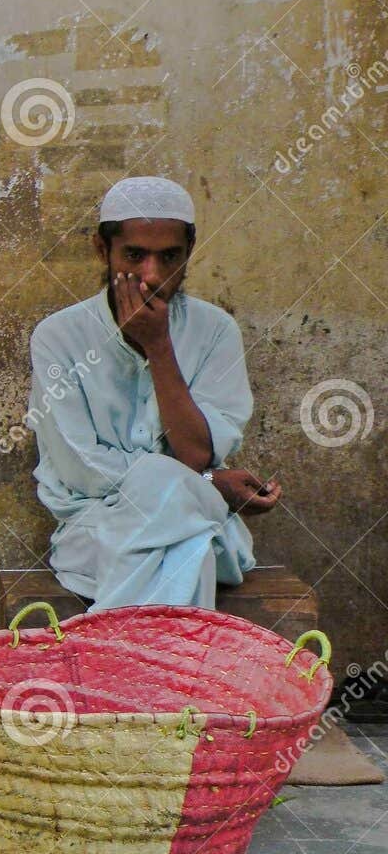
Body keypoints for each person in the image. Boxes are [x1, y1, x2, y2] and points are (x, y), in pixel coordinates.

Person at [27, 176, 280, 610]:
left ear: (188, 254)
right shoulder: (59, 336)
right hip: (95, 527)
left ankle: (121, 671)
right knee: (188, 552)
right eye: (135, 255)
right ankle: (170, 674)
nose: (153, 275)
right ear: (102, 251)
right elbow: (81, 470)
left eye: (170, 257)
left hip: (194, 516)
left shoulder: (215, 331)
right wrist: (206, 483)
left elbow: (196, 453)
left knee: (185, 539)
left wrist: (159, 347)